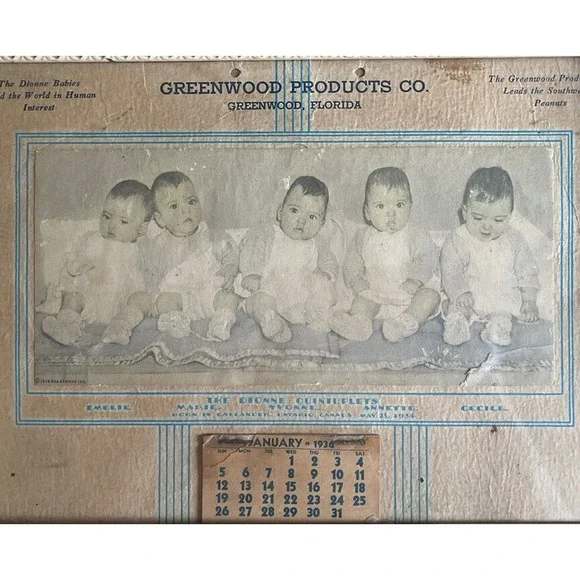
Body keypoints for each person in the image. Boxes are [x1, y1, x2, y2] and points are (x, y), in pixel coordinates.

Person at [102, 172, 239, 344]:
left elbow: (230, 250)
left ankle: (221, 323)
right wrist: (152, 291)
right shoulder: (158, 243)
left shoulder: (209, 235)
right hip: (174, 298)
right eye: (174, 206)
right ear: (160, 219)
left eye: (191, 201)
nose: (185, 210)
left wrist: (230, 267)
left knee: (229, 298)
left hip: (206, 294)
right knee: (145, 298)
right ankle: (125, 325)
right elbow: (148, 270)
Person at [331, 167, 440, 342]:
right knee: (361, 302)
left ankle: (403, 324)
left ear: (410, 206)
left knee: (430, 297)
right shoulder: (363, 237)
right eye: (381, 206)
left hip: (408, 296)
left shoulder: (416, 235)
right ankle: (360, 325)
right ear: (367, 212)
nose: (391, 214)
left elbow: (428, 258)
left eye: (399, 205)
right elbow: (351, 262)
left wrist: (415, 280)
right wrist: (356, 280)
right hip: (375, 295)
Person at [39, 180, 153, 345]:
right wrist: (79, 265)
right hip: (91, 299)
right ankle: (66, 326)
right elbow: (73, 263)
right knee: (72, 297)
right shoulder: (93, 240)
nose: (111, 225)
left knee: (142, 299)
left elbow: (148, 276)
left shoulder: (141, 248)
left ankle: (120, 327)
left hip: (121, 304)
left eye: (123, 221)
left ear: (141, 229)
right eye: (107, 216)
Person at [440, 166, 539, 346]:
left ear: (509, 217)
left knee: (503, 312)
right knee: (456, 307)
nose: (487, 226)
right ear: (465, 212)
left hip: (501, 294)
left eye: (498, 220)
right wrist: (460, 291)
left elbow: (527, 270)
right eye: (478, 218)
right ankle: (457, 325)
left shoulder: (514, 239)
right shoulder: (459, 238)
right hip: (469, 293)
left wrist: (529, 300)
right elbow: (450, 268)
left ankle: (497, 329)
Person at [239, 176, 338, 343]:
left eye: (312, 216)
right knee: (259, 301)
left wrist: (326, 273)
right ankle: (270, 320)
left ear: (321, 224)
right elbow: (252, 250)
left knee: (327, 292)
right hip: (270, 290)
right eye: (294, 210)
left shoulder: (317, 243)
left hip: (303, 297)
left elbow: (330, 262)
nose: (301, 220)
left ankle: (321, 318)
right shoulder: (269, 233)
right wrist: (253, 273)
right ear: (280, 212)